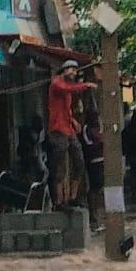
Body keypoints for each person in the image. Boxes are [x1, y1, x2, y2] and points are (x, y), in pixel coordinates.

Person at [46, 59, 96, 208]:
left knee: (79, 161)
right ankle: (59, 201)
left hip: (68, 128)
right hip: (58, 130)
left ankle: (73, 197)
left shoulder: (67, 88)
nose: (73, 72)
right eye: (71, 69)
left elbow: (65, 109)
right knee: (59, 165)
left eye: (75, 70)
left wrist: (73, 120)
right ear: (64, 70)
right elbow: (68, 89)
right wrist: (86, 85)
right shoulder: (57, 83)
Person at [81, 101, 105, 233]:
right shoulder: (86, 129)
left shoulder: (97, 127)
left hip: (101, 161)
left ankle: (97, 216)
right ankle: (93, 217)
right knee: (94, 189)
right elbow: (89, 146)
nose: (97, 118)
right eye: (95, 115)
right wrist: (100, 142)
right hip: (93, 162)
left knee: (99, 188)